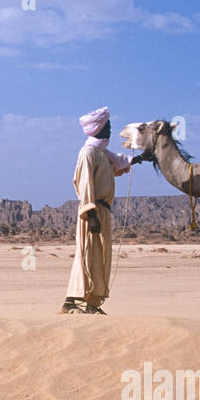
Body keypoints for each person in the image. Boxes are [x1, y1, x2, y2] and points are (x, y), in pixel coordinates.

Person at [61, 108, 136, 315]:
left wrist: (140, 158)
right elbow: (84, 184)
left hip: (102, 211)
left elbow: (117, 167)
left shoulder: (102, 154)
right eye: (108, 126)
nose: (110, 130)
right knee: (86, 254)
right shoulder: (88, 153)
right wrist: (90, 214)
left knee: (99, 256)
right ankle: (72, 300)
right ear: (99, 128)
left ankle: (93, 302)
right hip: (92, 212)